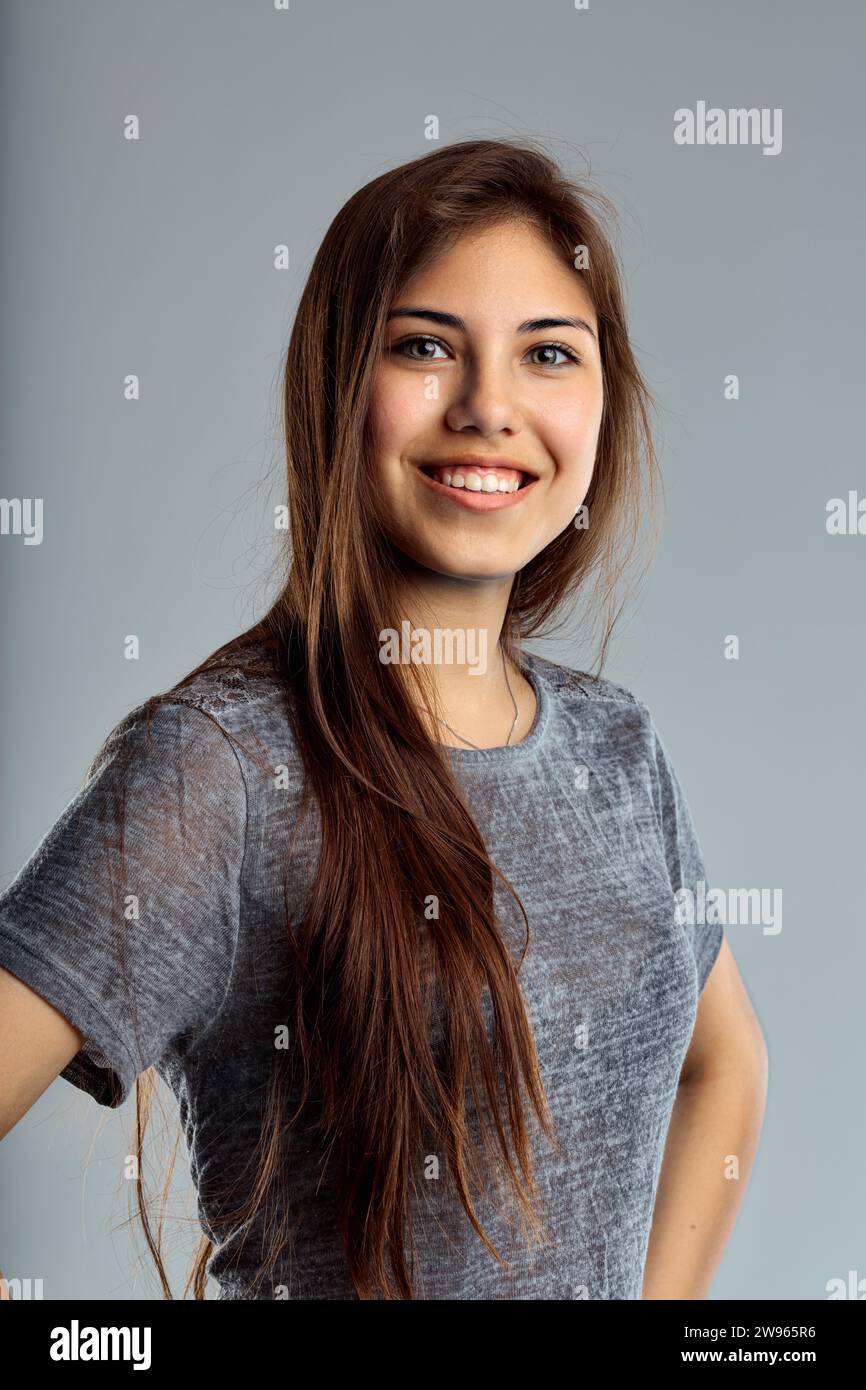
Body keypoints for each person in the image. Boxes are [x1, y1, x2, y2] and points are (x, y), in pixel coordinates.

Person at [0, 137, 767, 1301]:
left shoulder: (619, 750)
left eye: (547, 354)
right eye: (423, 346)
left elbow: (727, 1068)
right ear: (335, 385)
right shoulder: (223, 768)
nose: (487, 407)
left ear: (601, 408)